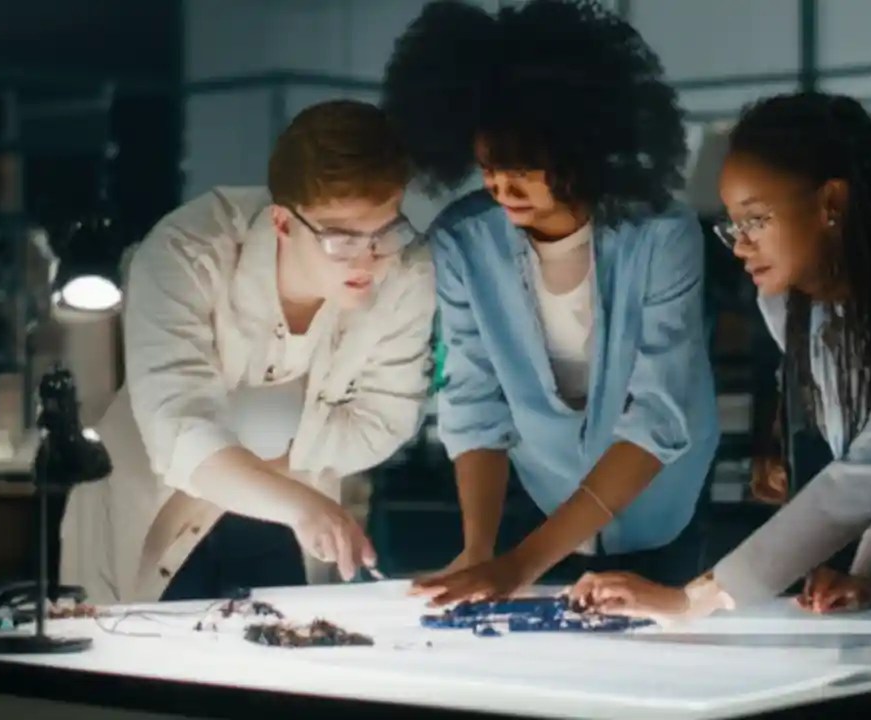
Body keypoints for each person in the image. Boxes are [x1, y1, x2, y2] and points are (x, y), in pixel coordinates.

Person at [568, 91, 871, 619]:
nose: (739, 244)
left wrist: (689, 600)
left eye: (756, 220)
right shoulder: (800, 314)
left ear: (832, 203)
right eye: (732, 225)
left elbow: (864, 479)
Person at [381, 0, 719, 605]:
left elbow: (660, 415)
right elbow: (472, 399)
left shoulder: (662, 234)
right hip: (545, 501)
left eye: (524, 170)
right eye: (487, 167)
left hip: (665, 501)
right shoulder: (463, 240)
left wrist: (518, 565)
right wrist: (479, 548)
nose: (501, 189)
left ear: (580, 150)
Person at [59, 100, 435, 603]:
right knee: (143, 659)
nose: (369, 257)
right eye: (342, 239)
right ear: (283, 222)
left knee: (285, 657)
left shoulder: (405, 270)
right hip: (152, 506)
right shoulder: (185, 253)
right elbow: (178, 428)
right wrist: (291, 481)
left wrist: (276, 479)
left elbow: (387, 418)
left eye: (384, 231)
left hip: (293, 514)